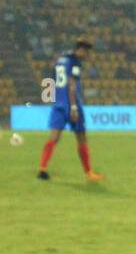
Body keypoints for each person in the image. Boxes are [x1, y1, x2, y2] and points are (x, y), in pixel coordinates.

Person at [38, 39, 104, 182]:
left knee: (54, 137)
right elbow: (72, 84)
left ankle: (42, 169)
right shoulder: (75, 62)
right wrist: (73, 107)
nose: (87, 55)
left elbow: (51, 77)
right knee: (82, 137)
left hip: (58, 103)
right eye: (86, 52)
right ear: (80, 50)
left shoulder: (61, 59)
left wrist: (50, 96)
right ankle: (89, 173)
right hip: (71, 104)